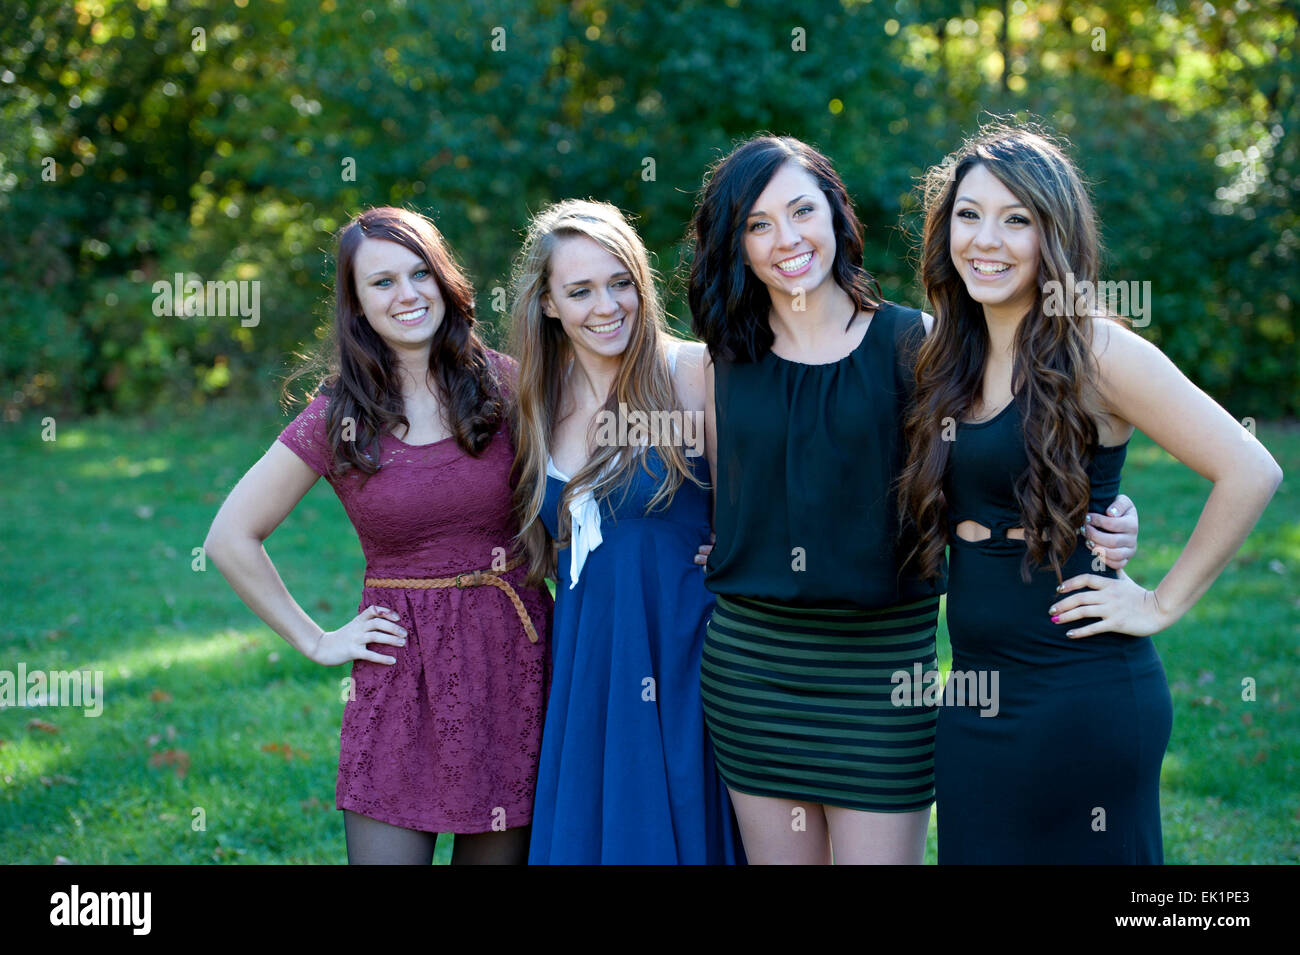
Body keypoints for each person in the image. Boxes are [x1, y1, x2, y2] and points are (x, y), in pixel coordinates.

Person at [687, 135, 1141, 864]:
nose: (786, 239)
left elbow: (1013, 457)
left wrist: (1110, 511)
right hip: (754, 671)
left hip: (883, 672)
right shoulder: (718, 361)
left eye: (803, 210)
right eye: (758, 224)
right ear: (735, 243)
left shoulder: (920, 346)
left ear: (837, 214)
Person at [900, 123, 1283, 863]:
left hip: (1082, 692)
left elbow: (1251, 468)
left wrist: (1159, 601)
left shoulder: (1094, 349)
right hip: (975, 697)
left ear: (1055, 235)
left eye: (1018, 220)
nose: (987, 238)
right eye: (970, 214)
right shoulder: (945, 353)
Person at [204, 206, 551, 865]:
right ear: (357, 304)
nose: (408, 294)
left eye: (420, 273)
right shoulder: (338, 414)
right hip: (399, 667)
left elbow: (588, 488)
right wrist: (316, 638)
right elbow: (230, 535)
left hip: (511, 658)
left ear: (445, 280)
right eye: (382, 282)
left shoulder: (507, 384)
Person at [509, 199, 740, 863]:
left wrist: (733, 544)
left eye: (621, 283)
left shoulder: (692, 374)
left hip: (687, 654)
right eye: (580, 290)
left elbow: (754, 507)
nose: (606, 306)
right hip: (587, 666)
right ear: (548, 303)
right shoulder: (534, 400)